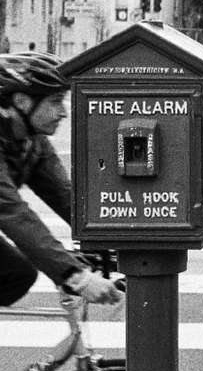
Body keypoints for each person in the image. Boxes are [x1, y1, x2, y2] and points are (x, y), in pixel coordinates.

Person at [0, 52, 122, 307]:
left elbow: (66, 196)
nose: (63, 112)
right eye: (55, 101)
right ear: (22, 101)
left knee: (16, 275)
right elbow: (13, 213)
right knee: (16, 272)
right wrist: (75, 276)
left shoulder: (31, 142)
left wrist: (115, 243)